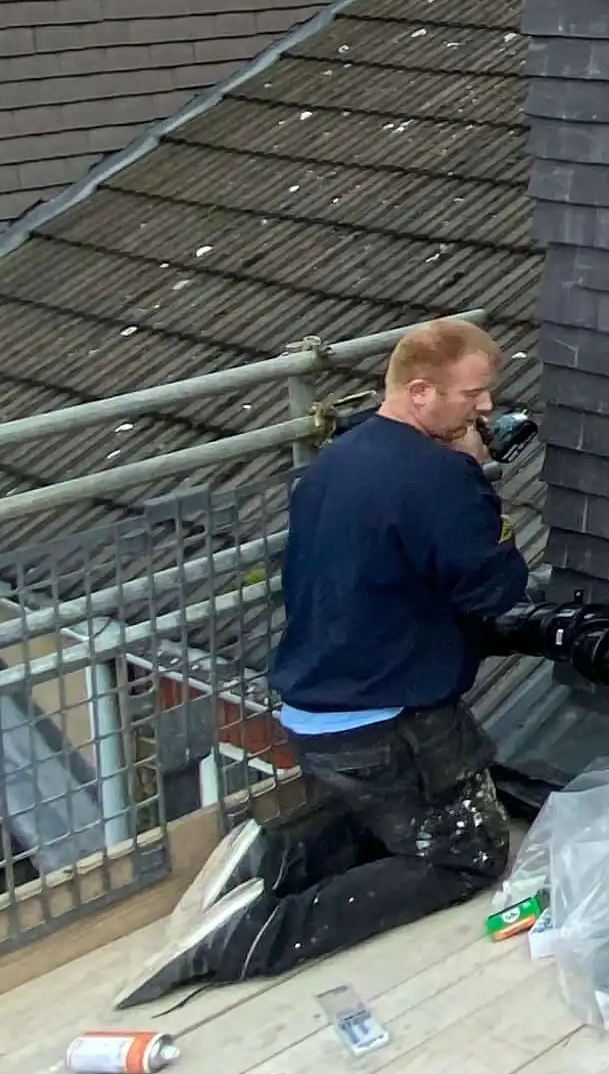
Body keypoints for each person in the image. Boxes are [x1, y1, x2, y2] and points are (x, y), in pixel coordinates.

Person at [127, 316, 538, 1002]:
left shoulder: (339, 460)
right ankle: (259, 934)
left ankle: (270, 856)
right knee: (467, 854)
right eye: (472, 395)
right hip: (385, 719)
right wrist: (476, 479)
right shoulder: (440, 478)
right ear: (419, 393)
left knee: (392, 814)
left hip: (316, 713)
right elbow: (499, 590)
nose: (487, 409)